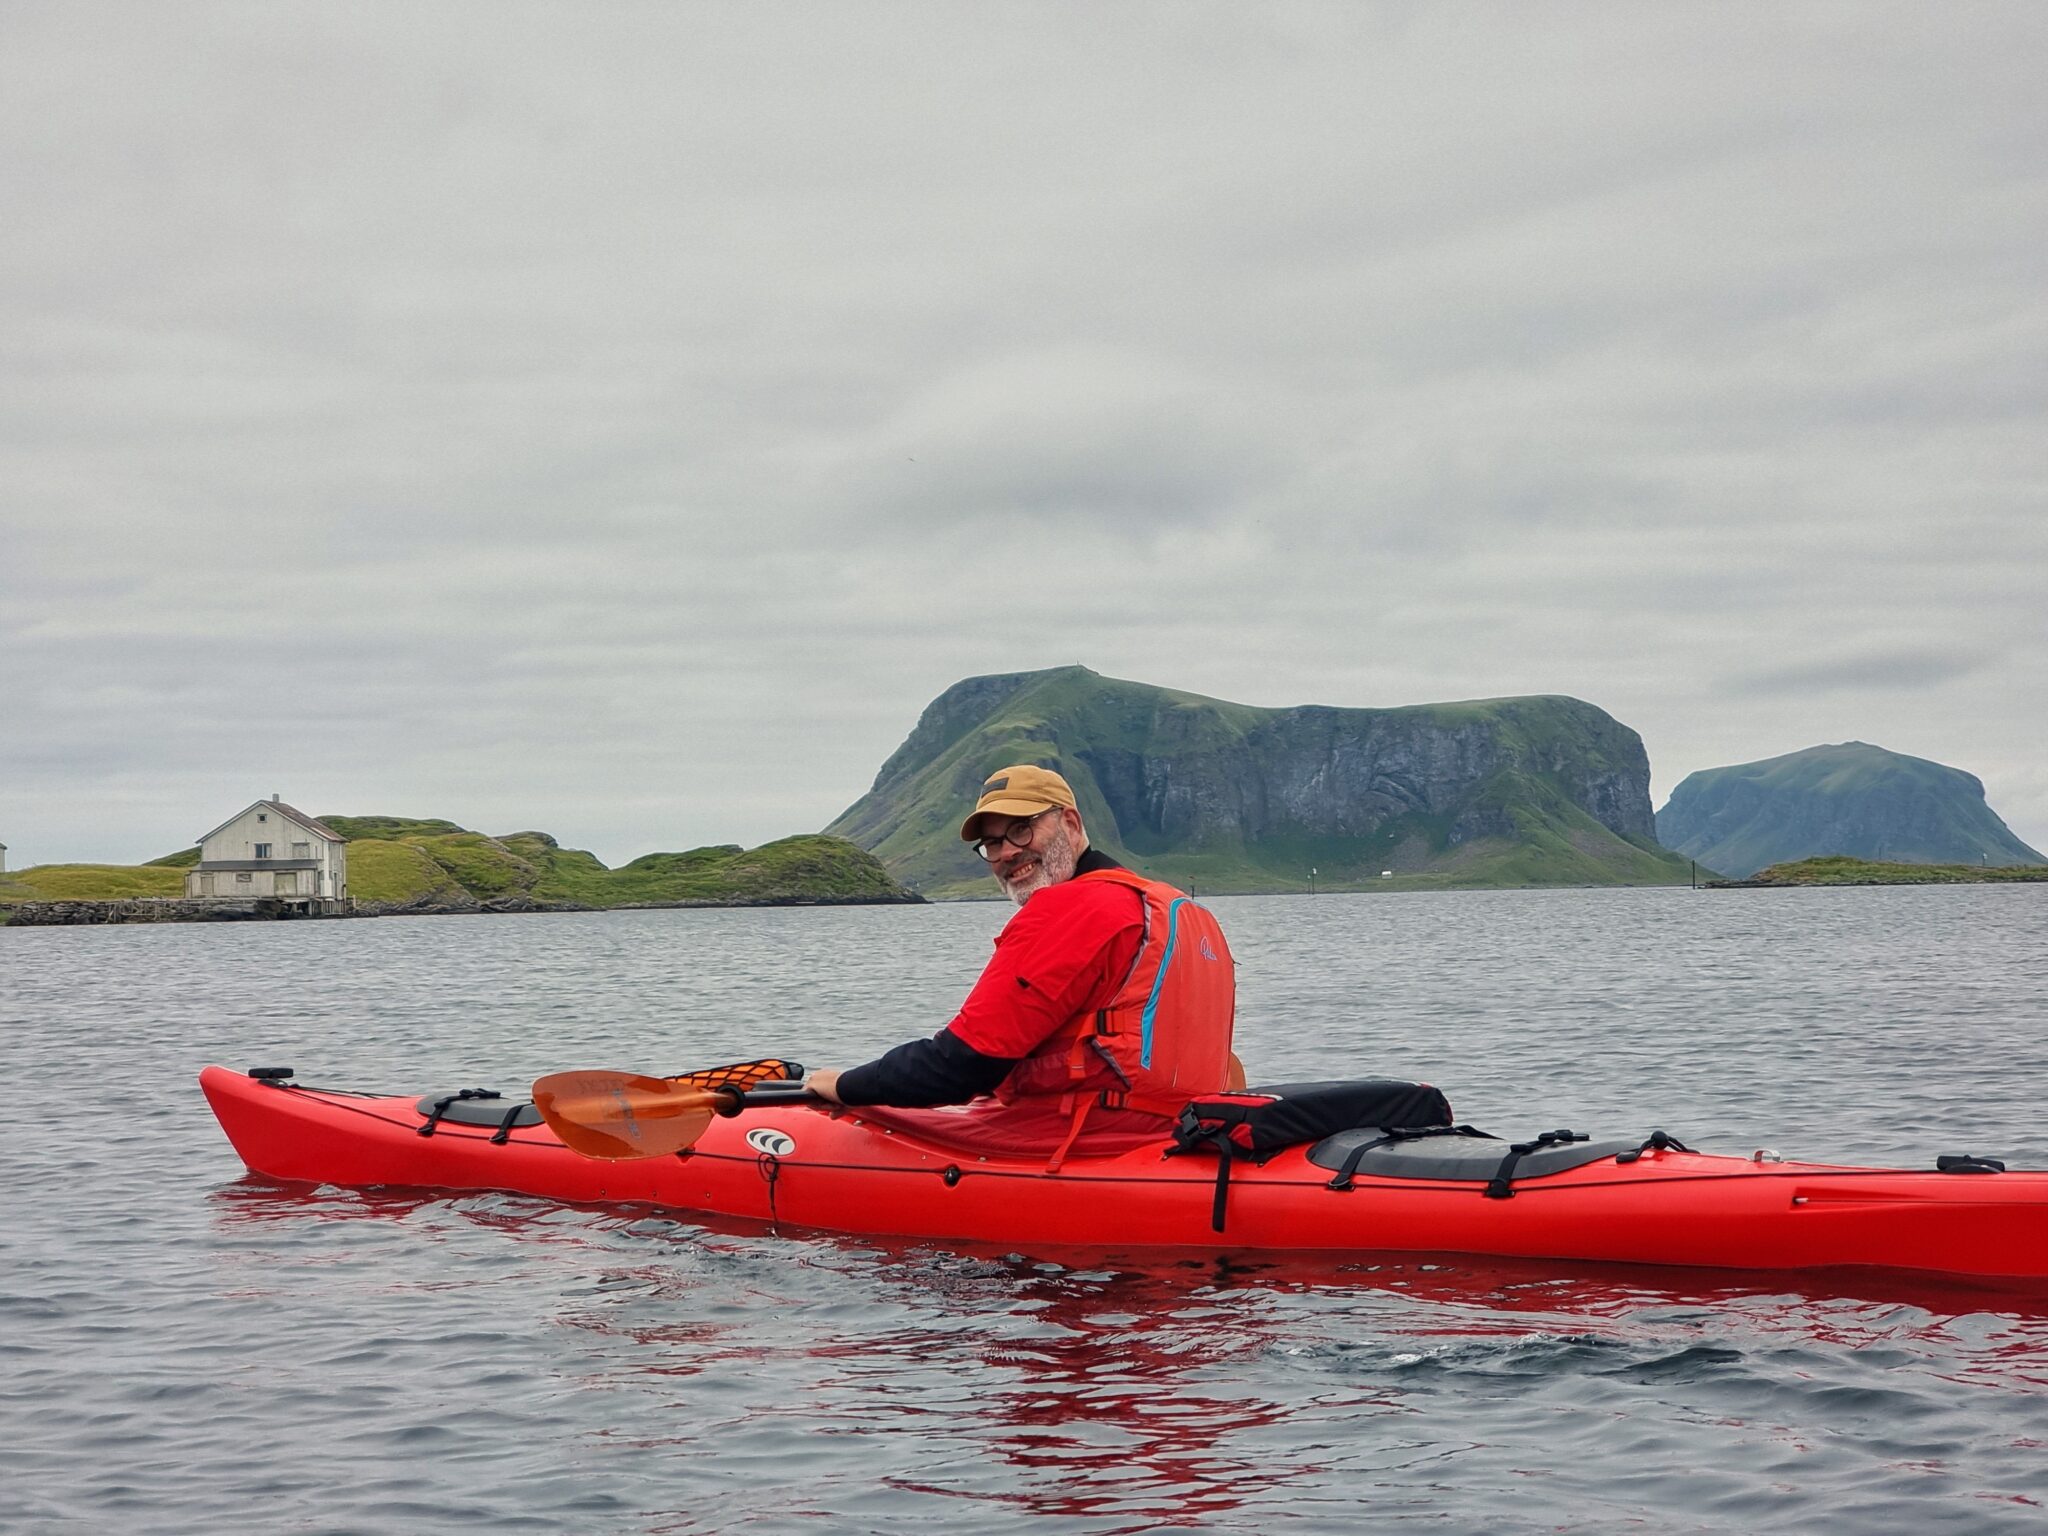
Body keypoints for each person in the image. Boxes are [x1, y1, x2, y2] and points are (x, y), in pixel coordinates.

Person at [804, 764, 1238, 1167]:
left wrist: (846, 1085)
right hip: (1182, 1130)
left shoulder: (1070, 909)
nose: (1007, 852)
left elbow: (963, 1064)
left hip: (1086, 1140)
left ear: (1070, 823)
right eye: (993, 843)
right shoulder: (1176, 909)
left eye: (1021, 830)